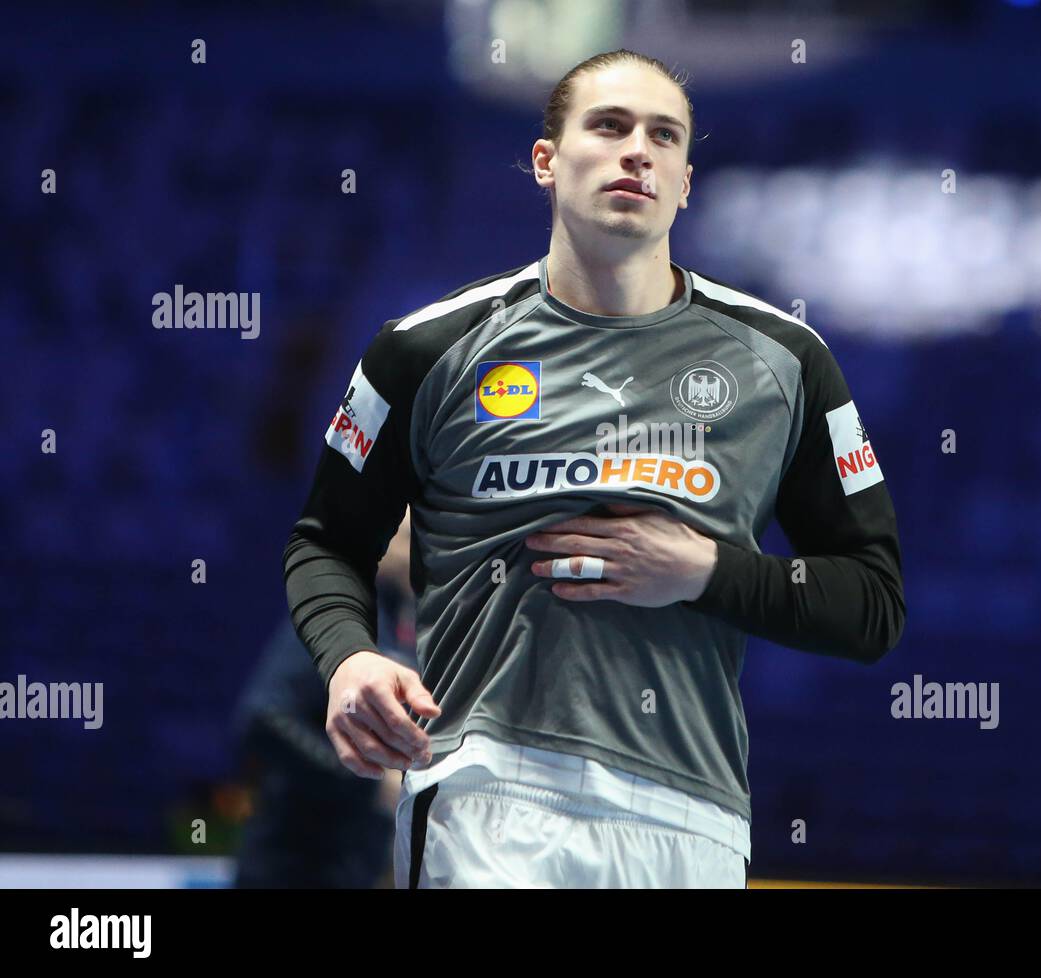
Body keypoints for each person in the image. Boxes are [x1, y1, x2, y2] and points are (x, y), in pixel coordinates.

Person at [283, 48, 905, 889]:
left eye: (664, 136)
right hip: (488, 793)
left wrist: (705, 572)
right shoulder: (424, 351)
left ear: (685, 181)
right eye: (609, 126)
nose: (636, 151)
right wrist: (349, 659)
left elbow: (871, 603)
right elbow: (327, 542)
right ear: (547, 160)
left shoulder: (785, 362)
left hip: (694, 818)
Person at [235, 512, 416, 887]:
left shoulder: (405, 623)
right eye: (403, 537)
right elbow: (261, 716)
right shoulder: (336, 617)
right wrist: (367, 780)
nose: (418, 549)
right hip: (292, 866)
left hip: (352, 867)